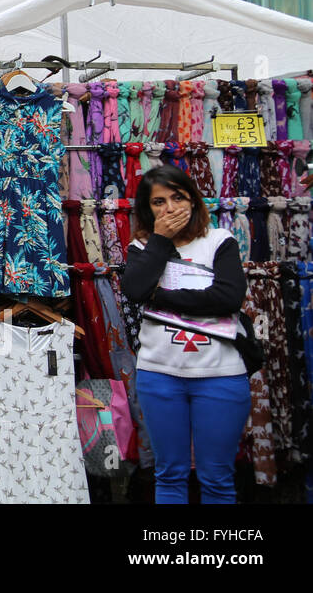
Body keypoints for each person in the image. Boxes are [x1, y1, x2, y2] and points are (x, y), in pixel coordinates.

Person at [121, 165, 250, 505]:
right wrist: (161, 240)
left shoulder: (220, 241)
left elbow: (227, 298)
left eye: (178, 197)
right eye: (158, 202)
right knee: (169, 475)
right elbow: (134, 289)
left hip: (220, 374)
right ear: (148, 210)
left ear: (193, 200)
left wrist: (159, 299)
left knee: (217, 478)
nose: (170, 208)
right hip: (160, 375)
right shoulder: (143, 247)